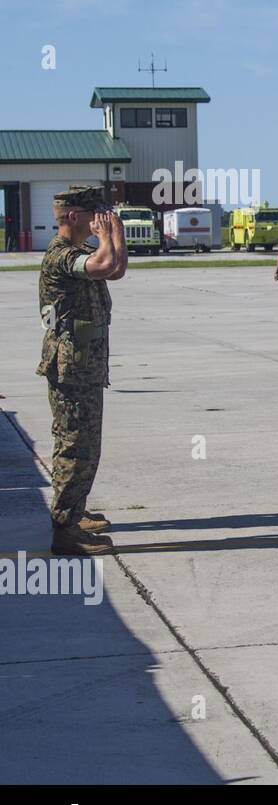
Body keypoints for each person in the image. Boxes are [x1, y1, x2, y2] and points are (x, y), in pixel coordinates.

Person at [37, 186, 126, 555]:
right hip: (71, 365)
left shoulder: (81, 251)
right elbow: (106, 264)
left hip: (84, 363)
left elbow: (115, 269)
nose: (98, 221)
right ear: (73, 216)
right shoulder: (61, 256)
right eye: (94, 214)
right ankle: (65, 530)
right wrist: (111, 235)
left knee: (84, 444)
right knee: (76, 447)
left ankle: (73, 511)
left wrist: (114, 234)